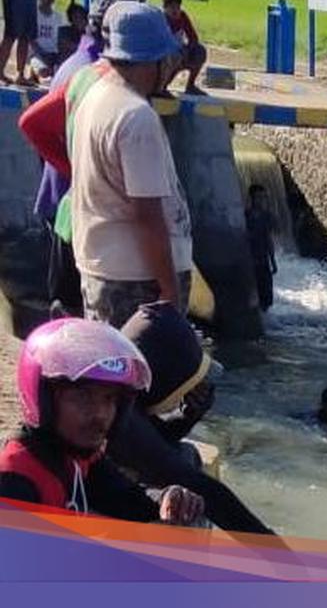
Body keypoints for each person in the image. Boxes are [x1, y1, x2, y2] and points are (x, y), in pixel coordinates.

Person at [0, 317, 205, 525]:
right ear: (43, 400)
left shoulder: (77, 455)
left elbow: (124, 498)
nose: (100, 413)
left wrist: (166, 500)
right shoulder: (15, 480)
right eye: (82, 397)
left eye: (109, 399)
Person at [70, 1, 190, 327]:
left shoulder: (95, 97)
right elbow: (147, 215)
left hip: (102, 267)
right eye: (167, 59)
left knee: (112, 371)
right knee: (146, 375)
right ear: (153, 61)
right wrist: (168, 293)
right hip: (138, 282)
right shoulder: (137, 118)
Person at [112, 301, 276, 534]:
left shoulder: (118, 383)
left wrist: (187, 416)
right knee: (187, 503)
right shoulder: (112, 408)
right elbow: (199, 486)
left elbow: (147, 447)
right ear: (158, 381)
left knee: (186, 456)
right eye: (184, 385)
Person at [17, 0, 118, 318]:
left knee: (64, 297)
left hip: (62, 197)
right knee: (74, 304)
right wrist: (76, 169)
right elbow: (32, 123)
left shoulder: (74, 64)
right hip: (74, 202)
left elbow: (35, 125)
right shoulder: (91, 73)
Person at [161, 0, 207, 95]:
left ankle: (190, 85)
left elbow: (193, 37)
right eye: (172, 7)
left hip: (180, 51)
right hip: (164, 55)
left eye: (177, 7)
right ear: (165, 8)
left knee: (200, 51)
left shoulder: (182, 17)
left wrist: (188, 49)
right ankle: (162, 87)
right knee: (173, 57)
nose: (175, 10)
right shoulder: (160, 19)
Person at [244, 184, 277, 312]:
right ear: (252, 198)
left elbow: (269, 239)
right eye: (259, 197)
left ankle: (265, 317)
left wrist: (273, 261)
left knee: (267, 296)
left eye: (264, 197)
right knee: (253, 295)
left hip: (263, 260)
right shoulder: (245, 216)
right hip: (250, 262)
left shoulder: (267, 216)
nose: (262, 200)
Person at [27, 0, 62, 80]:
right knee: (44, 72)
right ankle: (33, 70)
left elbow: (60, 41)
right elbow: (31, 41)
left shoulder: (59, 17)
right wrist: (43, 54)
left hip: (53, 55)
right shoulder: (32, 15)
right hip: (36, 54)